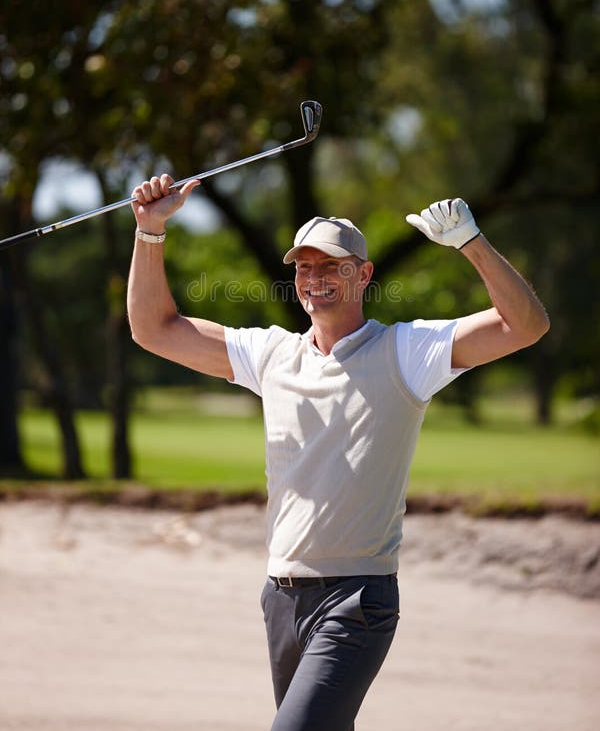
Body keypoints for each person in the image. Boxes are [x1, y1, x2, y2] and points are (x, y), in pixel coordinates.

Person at [127, 175, 549, 731]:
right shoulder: (272, 353)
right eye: (304, 267)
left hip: (357, 600)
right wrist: (149, 231)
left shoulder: (405, 350)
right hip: (280, 596)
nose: (315, 278)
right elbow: (154, 329)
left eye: (331, 266)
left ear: (364, 274)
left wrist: (471, 242)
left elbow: (527, 325)